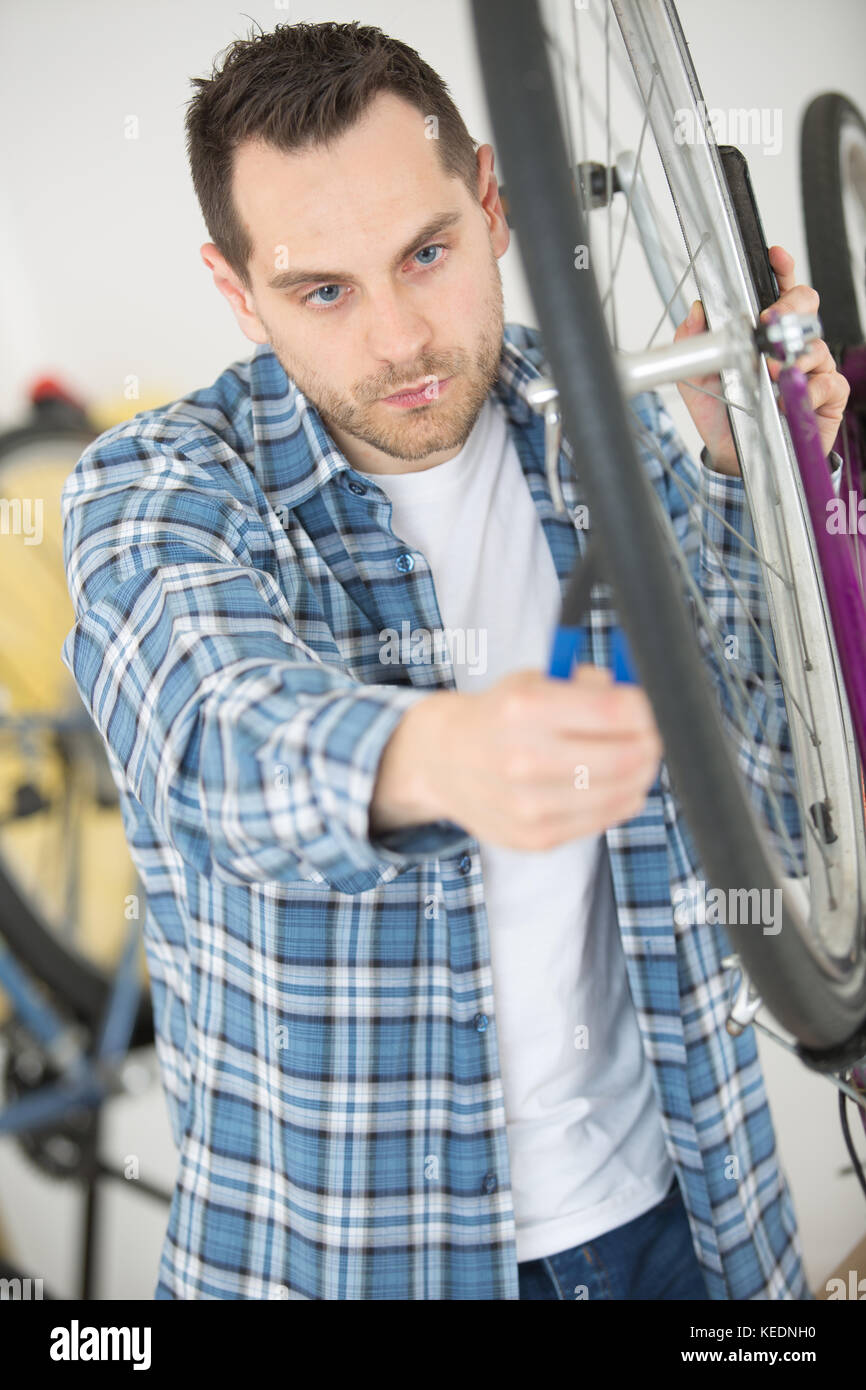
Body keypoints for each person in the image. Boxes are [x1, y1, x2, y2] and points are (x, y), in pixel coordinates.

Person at [60, 20, 847, 1300]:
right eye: (323, 290)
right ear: (234, 291)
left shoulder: (611, 438)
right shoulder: (156, 485)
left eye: (427, 253)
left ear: (491, 201)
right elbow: (215, 741)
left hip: (682, 1223)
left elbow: (776, 805)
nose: (397, 340)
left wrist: (737, 460)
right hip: (347, 1262)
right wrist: (437, 752)